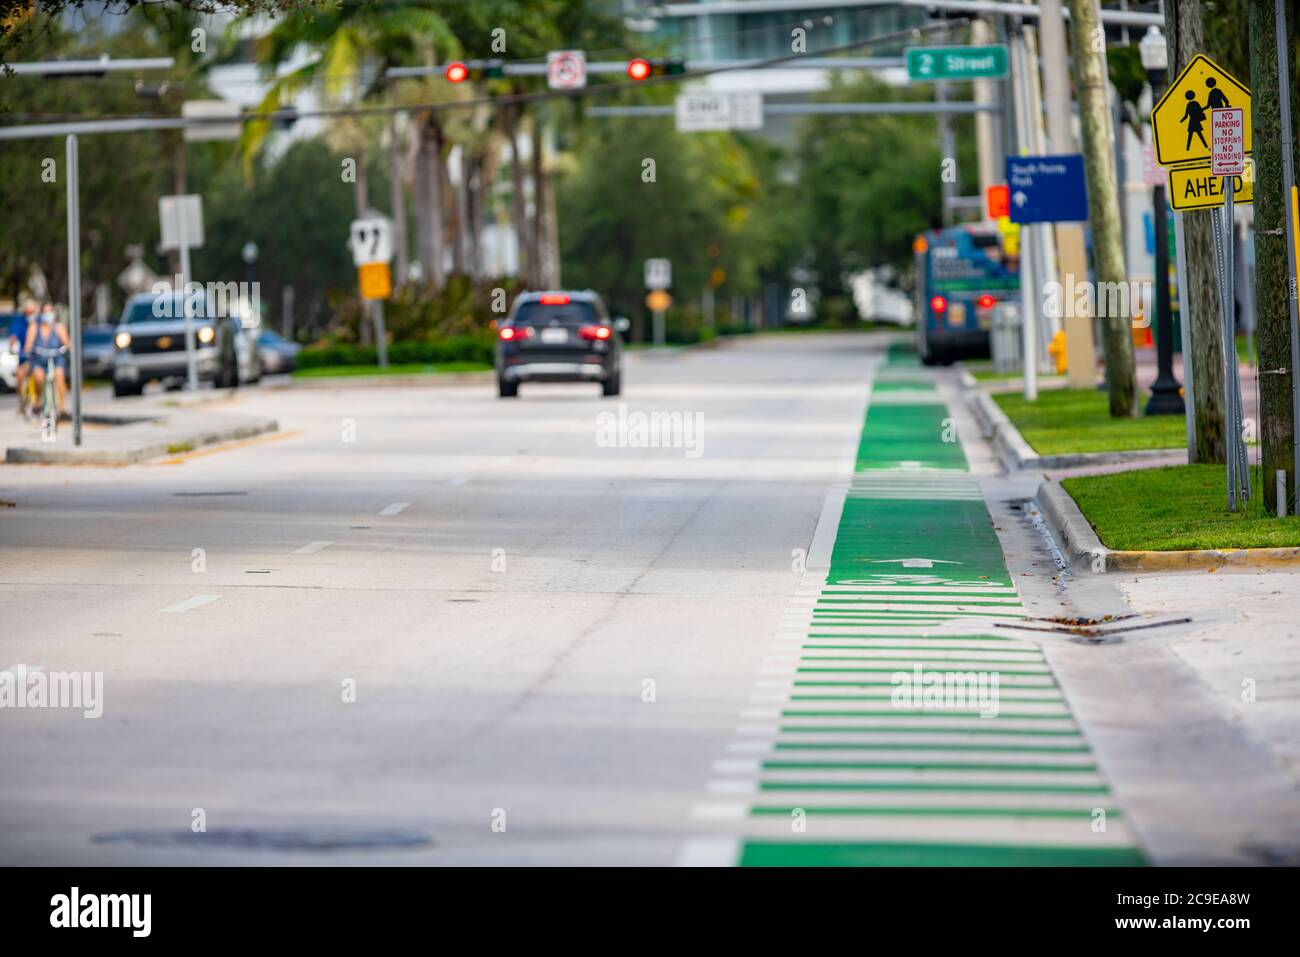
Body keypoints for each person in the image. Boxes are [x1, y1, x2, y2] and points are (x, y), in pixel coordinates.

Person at [24, 302, 70, 420]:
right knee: (39, 377)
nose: (48, 314)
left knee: (59, 375)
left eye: (50, 311)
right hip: (39, 359)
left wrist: (69, 346)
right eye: (46, 312)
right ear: (42, 314)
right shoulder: (34, 327)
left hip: (55, 358)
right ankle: (39, 401)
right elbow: (28, 344)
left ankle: (62, 408)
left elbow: (67, 342)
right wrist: (29, 347)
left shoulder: (59, 327)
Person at [9, 297, 36, 417]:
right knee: (20, 376)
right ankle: (22, 403)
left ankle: (39, 402)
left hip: (39, 355)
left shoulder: (38, 321)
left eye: (32, 312)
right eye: (27, 312)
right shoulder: (19, 321)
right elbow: (13, 336)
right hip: (25, 356)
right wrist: (11, 346)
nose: (29, 315)